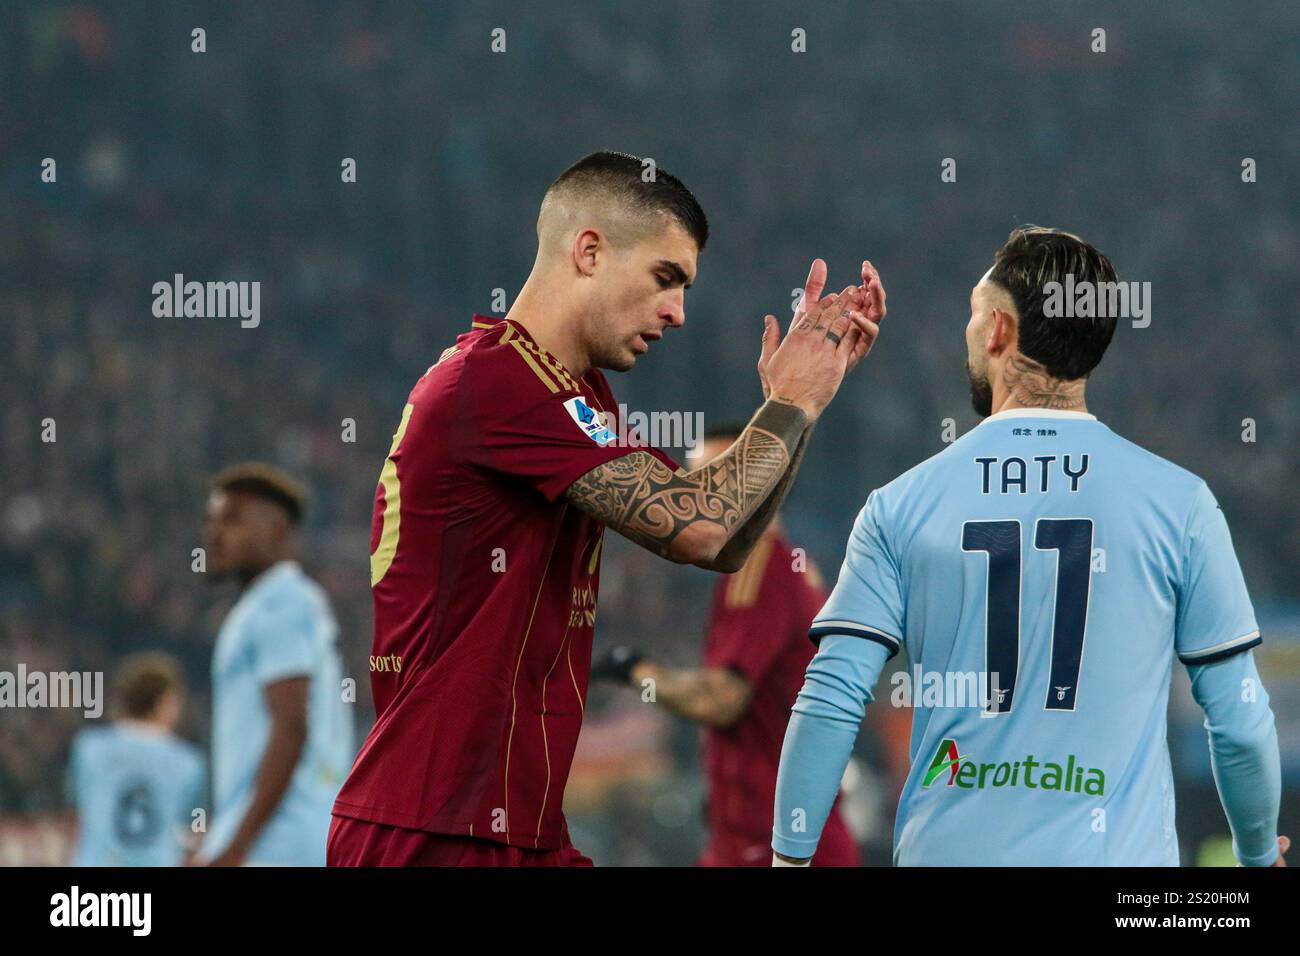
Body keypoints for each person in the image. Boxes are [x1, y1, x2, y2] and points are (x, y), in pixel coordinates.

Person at [328, 150, 887, 866]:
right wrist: (790, 402)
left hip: (512, 822)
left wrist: (804, 403)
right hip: (436, 827)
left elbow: (725, 544)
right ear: (589, 251)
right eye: (665, 279)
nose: (679, 312)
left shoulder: (573, 393)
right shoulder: (499, 379)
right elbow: (701, 524)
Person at [772, 226, 1288, 867]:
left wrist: (789, 859)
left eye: (970, 315)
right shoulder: (1178, 504)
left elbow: (830, 697)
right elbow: (1239, 721)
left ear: (996, 330)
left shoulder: (900, 505)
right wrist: (1259, 858)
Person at [594, 425, 861, 867]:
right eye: (696, 483)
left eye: (717, 482)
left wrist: (632, 668)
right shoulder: (786, 565)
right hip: (765, 839)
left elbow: (718, 701)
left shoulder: (760, 571)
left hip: (769, 845)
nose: (697, 502)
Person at [199, 463, 354, 866]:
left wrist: (237, 845)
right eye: (212, 520)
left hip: (279, 840)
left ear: (277, 530)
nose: (214, 534)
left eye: (232, 520)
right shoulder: (287, 602)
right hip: (290, 833)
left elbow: (290, 725)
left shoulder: (280, 602)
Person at [67, 653, 204, 866]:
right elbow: (196, 825)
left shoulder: (89, 748)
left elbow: (78, 808)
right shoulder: (189, 762)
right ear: (164, 702)